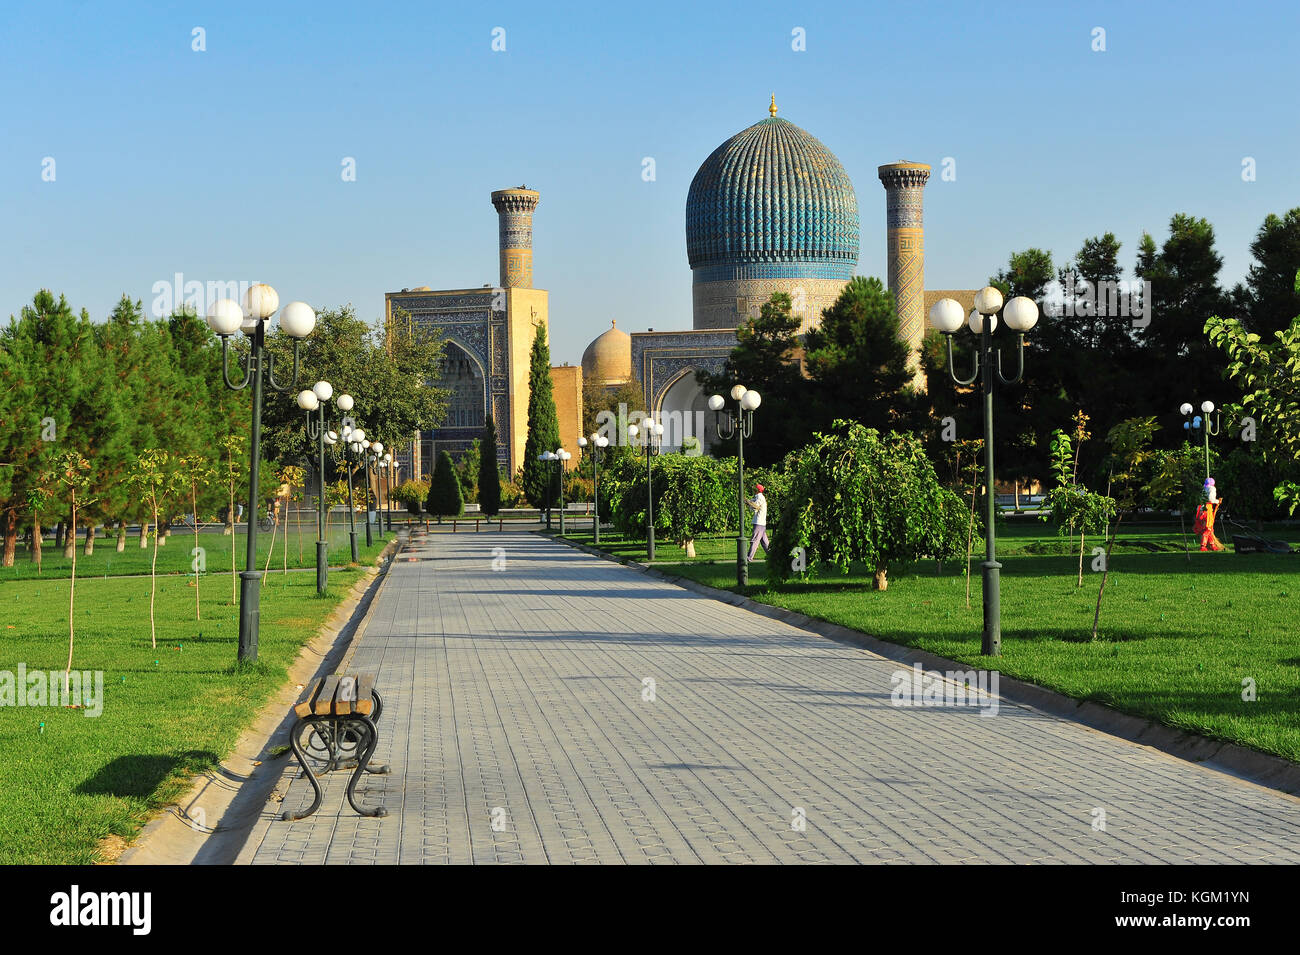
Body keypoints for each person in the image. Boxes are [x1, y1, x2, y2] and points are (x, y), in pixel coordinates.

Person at [1192, 477, 1225, 552]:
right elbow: (1211, 499)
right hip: (1207, 510)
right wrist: (1217, 501)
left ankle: (1212, 545)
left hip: (1200, 510)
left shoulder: (1203, 489)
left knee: (1209, 529)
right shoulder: (1212, 489)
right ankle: (1203, 546)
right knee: (1208, 529)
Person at [746, 483, 769, 561]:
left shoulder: (760, 498)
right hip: (762, 523)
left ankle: (749, 557)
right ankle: (772, 556)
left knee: (755, 540)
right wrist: (747, 501)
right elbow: (751, 503)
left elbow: (756, 506)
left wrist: (747, 502)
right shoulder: (758, 497)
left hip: (758, 523)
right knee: (765, 542)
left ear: (757, 490)